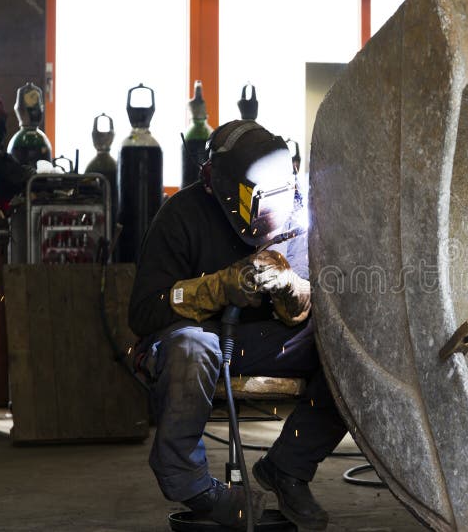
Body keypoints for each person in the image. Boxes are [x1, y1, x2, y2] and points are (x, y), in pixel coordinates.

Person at [129, 119, 348, 530]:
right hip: (199, 342)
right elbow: (143, 313)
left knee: (351, 348)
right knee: (192, 348)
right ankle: (193, 486)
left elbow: (321, 304)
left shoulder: (302, 214)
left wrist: (291, 288)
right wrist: (215, 289)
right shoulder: (182, 215)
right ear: (216, 185)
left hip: (270, 342)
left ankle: (288, 467)